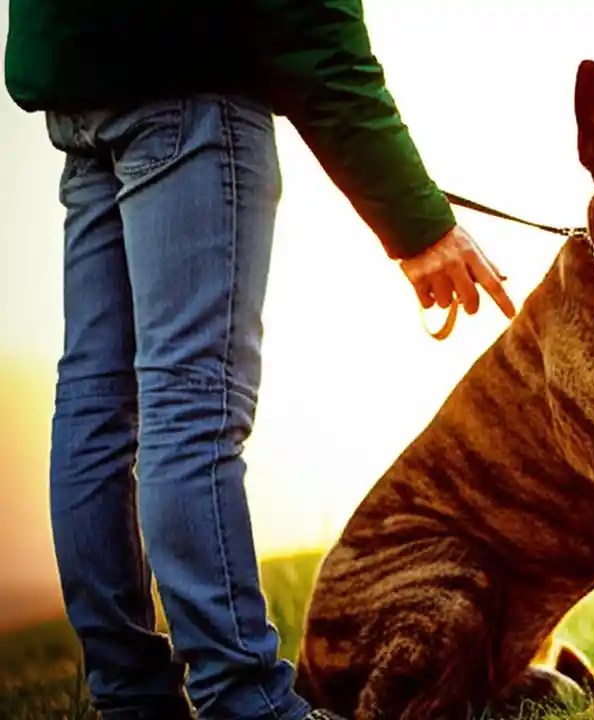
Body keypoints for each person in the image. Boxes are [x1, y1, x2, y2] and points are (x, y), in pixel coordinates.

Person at [5, 0, 516, 717]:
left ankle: (131, 698)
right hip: (187, 98)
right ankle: (245, 700)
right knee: (192, 405)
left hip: (77, 83)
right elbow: (310, 24)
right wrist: (417, 222)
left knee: (93, 404)